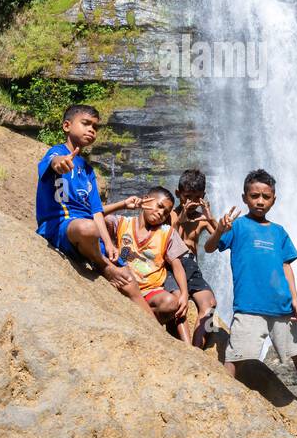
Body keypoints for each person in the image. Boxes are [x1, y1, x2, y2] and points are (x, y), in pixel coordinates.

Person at [204, 168, 297, 429]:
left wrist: (295, 298)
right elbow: (210, 248)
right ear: (245, 197)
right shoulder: (236, 226)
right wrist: (218, 229)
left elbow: (286, 267)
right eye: (254, 195)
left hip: (280, 305)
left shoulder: (279, 232)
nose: (260, 201)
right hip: (248, 306)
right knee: (233, 358)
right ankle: (224, 404)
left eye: (266, 196)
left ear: (274, 199)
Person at [34, 104, 136, 299]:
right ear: (66, 126)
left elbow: (96, 212)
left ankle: (151, 328)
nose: (91, 129)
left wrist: (109, 244)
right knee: (88, 228)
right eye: (86, 123)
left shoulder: (88, 170)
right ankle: (104, 267)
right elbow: (54, 162)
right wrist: (60, 164)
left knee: (130, 278)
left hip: (89, 233)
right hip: (60, 227)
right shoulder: (56, 153)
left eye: (95, 127)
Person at [103, 187, 192, 341]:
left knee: (171, 303)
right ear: (146, 199)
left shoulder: (167, 233)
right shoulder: (122, 223)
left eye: (166, 212)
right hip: (124, 285)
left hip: (150, 292)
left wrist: (184, 294)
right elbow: (95, 215)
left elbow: (177, 266)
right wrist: (123, 204)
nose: (161, 214)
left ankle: (141, 323)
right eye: (159, 206)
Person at [171, 169, 219, 348]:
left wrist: (210, 217)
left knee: (211, 303)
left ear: (203, 196)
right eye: (187, 197)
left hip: (192, 269)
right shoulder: (170, 214)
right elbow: (167, 239)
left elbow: (221, 241)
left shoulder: (202, 219)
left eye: (197, 198)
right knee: (178, 305)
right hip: (172, 267)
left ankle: (198, 346)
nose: (191, 202)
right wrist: (181, 220)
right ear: (178, 194)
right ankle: (186, 347)